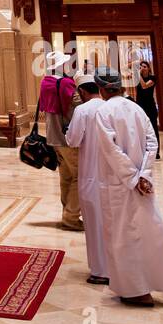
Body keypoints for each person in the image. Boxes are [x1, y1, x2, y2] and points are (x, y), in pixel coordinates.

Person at [93, 68, 163, 306]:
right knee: (144, 231)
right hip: (141, 182)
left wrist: (133, 177)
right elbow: (152, 143)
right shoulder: (137, 108)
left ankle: (134, 291)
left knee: (123, 236)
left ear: (101, 89)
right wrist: (144, 174)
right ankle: (141, 285)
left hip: (119, 184)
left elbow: (110, 149)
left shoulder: (103, 112)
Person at [65, 79, 108, 284]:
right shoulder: (111, 107)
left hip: (91, 173)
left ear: (82, 91)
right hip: (113, 175)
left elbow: (73, 140)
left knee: (94, 224)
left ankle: (100, 271)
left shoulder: (82, 111)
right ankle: (118, 267)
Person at [39, 52, 81, 231]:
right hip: (68, 138)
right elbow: (78, 107)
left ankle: (66, 211)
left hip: (53, 138)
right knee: (80, 177)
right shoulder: (66, 84)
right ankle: (71, 217)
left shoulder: (45, 83)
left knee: (65, 177)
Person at [135, 60, 161, 158]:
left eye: (145, 66)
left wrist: (138, 74)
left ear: (149, 68)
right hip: (140, 107)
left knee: (153, 129)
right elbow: (124, 68)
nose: (142, 68)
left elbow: (144, 86)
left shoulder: (153, 78)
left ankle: (157, 152)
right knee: (141, 130)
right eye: (141, 66)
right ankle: (144, 150)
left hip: (150, 107)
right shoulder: (138, 78)